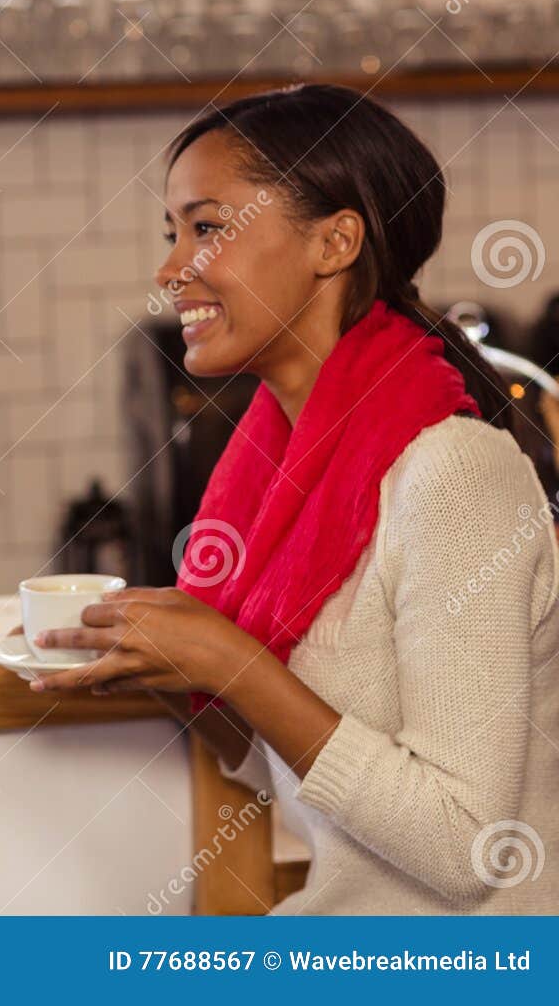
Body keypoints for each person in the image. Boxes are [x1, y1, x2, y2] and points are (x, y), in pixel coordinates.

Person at [29, 84, 558, 913]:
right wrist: (159, 663)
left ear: (335, 241)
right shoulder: (280, 459)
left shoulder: (452, 474)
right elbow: (281, 764)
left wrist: (230, 661)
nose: (171, 269)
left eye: (208, 228)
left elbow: (465, 844)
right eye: (172, 234)